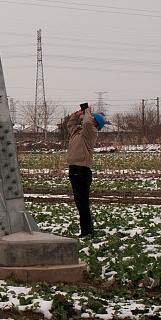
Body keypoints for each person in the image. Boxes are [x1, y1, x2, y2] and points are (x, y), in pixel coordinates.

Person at [67, 102, 103, 238]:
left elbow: (87, 123)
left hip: (82, 171)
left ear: (95, 123)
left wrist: (88, 112)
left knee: (83, 204)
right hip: (74, 170)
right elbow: (70, 124)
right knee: (79, 203)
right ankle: (86, 230)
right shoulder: (78, 133)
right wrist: (78, 114)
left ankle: (87, 231)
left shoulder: (91, 132)